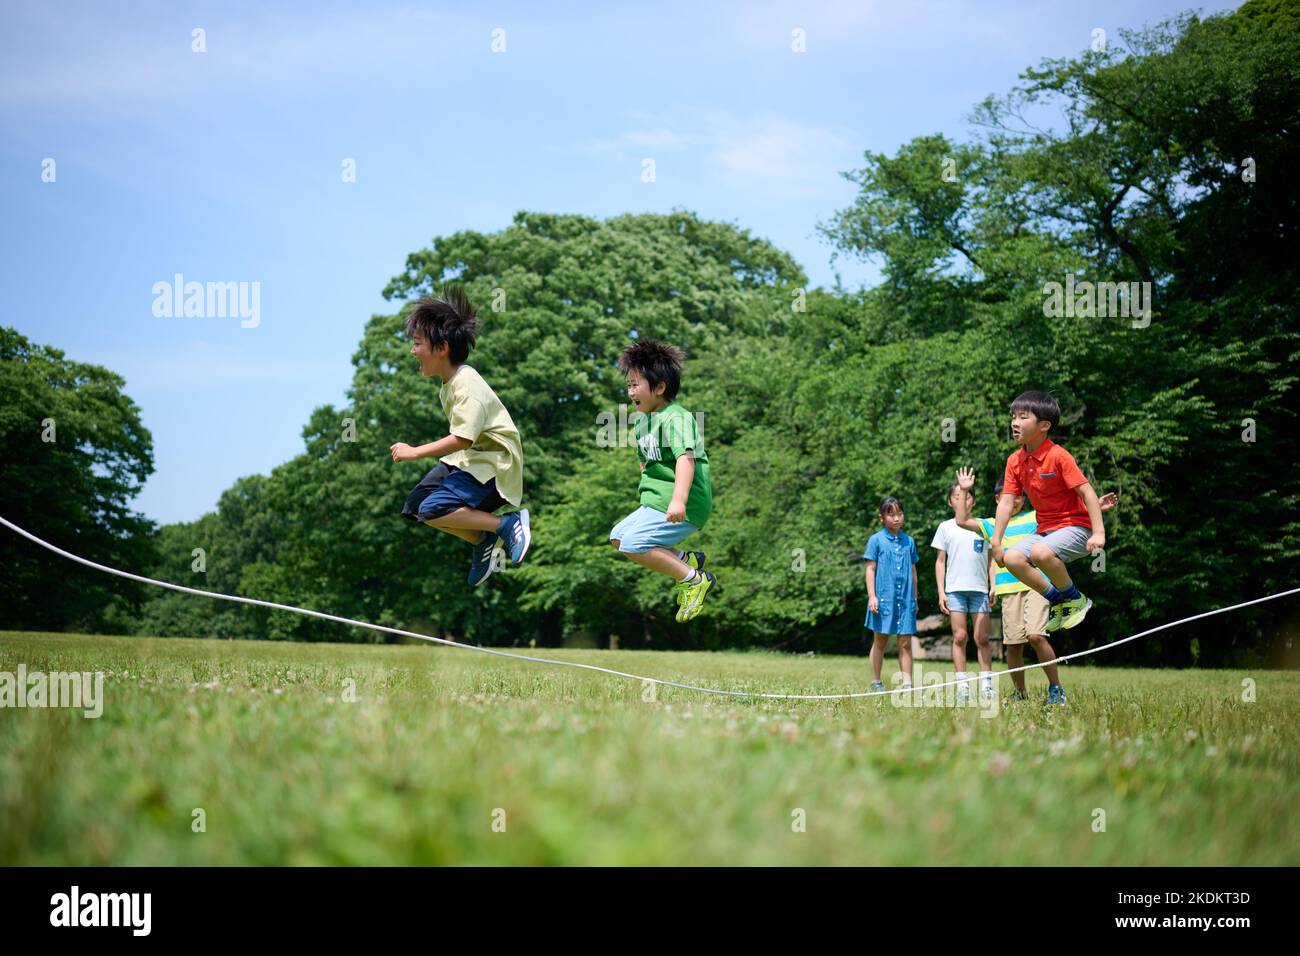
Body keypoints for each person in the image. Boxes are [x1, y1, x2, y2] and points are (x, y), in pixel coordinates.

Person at [391, 285, 530, 586]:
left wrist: (414, 451)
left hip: (493, 463)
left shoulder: (466, 385)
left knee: (434, 508)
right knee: (416, 506)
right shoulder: (449, 383)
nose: (413, 351)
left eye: (417, 344)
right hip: (467, 459)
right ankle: (482, 539)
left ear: (441, 348)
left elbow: (463, 438)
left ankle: (507, 523)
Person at [609, 341, 716, 622]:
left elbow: (685, 458)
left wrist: (678, 499)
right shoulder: (642, 420)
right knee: (618, 538)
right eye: (628, 385)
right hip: (654, 501)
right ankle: (684, 560)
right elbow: (645, 461)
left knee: (633, 544)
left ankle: (694, 579)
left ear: (660, 387)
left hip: (685, 503)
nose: (631, 391)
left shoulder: (676, 418)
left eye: (636, 385)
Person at [864, 496, 920, 693]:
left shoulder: (909, 541)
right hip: (883, 599)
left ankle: (907, 684)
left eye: (899, 513)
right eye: (891, 514)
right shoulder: (875, 540)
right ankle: (876, 681)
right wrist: (872, 596)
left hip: (905, 600)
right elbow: (870, 570)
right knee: (880, 640)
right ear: (882, 518)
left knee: (905, 642)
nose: (896, 518)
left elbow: (913, 572)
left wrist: (915, 597)